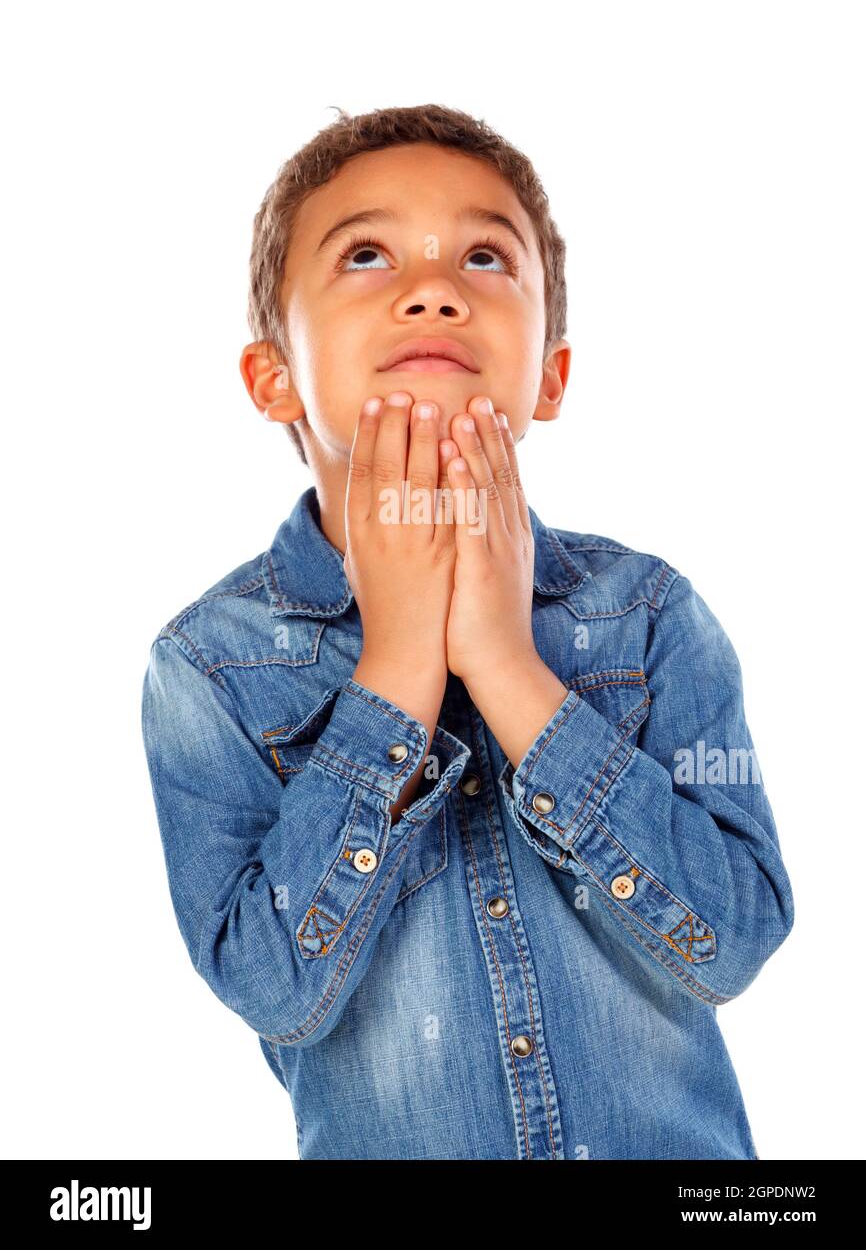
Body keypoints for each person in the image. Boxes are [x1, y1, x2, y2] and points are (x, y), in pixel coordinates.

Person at [141, 104, 794, 1160]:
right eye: (365, 252)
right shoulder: (209, 665)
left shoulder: (646, 613)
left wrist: (503, 664)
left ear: (548, 376)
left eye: (485, 255)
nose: (435, 283)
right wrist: (397, 669)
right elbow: (274, 987)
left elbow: (727, 943)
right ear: (273, 379)